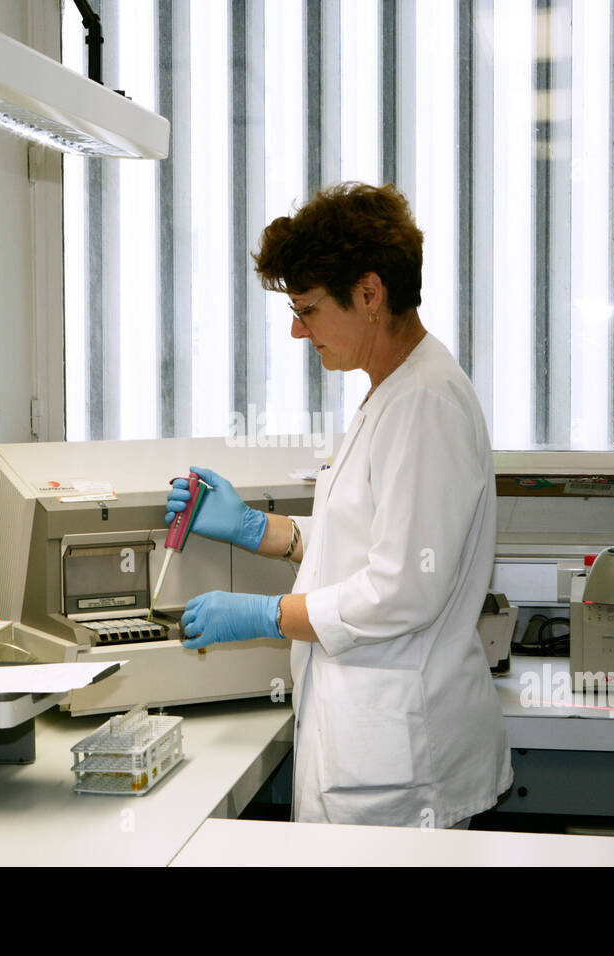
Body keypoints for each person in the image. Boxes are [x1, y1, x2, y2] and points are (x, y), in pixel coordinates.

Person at [167, 182, 511, 828]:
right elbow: (361, 540)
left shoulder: (425, 404)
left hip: (400, 772)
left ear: (370, 294)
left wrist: (267, 615)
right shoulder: (390, 391)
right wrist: (253, 528)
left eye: (308, 309)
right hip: (369, 753)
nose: (299, 331)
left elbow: (402, 587)